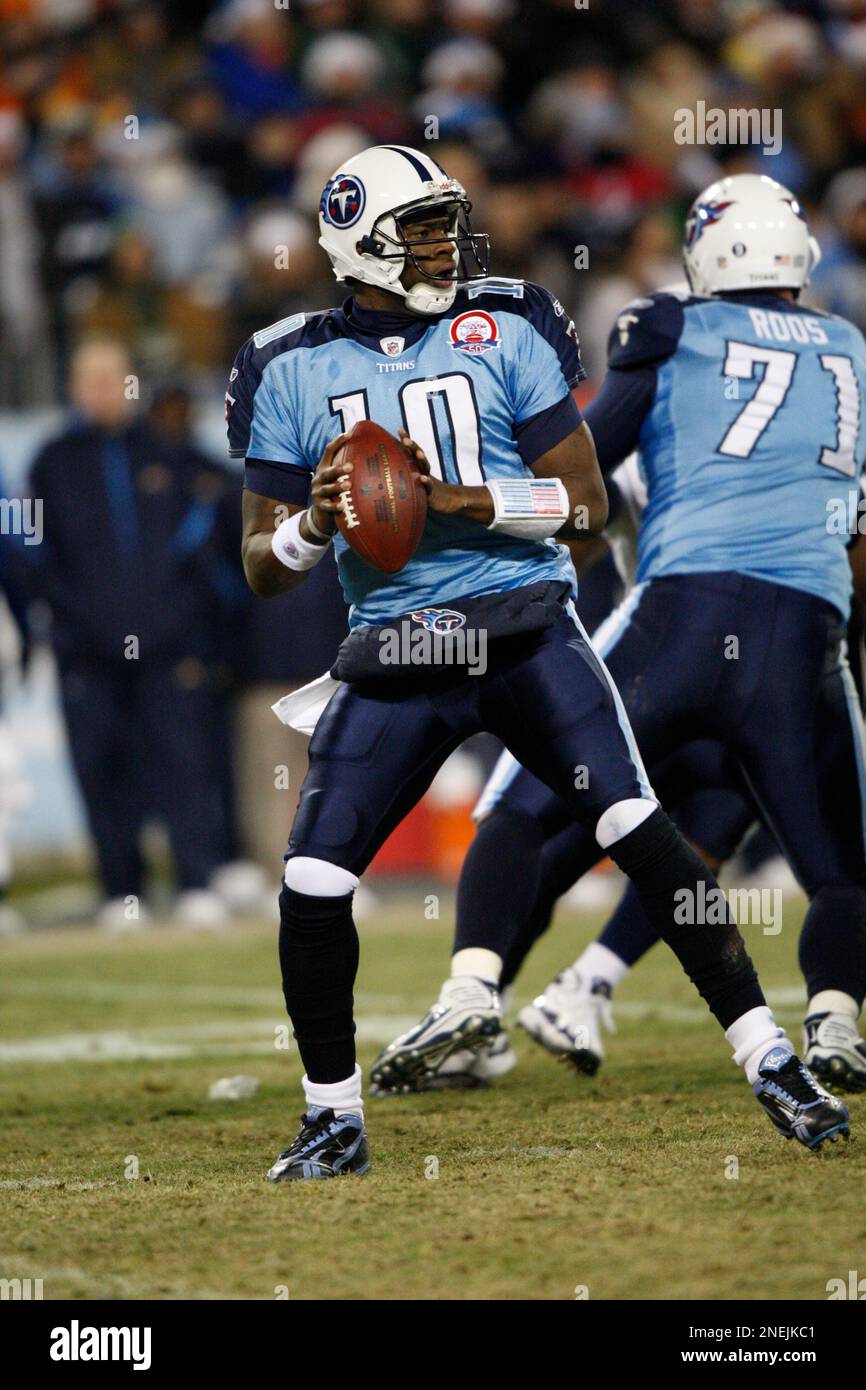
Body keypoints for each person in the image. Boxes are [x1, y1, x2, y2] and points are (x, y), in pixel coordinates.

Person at [233, 147, 846, 1181]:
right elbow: (260, 565)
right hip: (396, 644)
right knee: (309, 877)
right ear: (358, 242)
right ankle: (331, 1119)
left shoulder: (507, 318)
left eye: (444, 224)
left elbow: (584, 505)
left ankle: (771, 1058)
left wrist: (470, 501)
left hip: (521, 625)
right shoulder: (284, 361)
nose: (443, 245)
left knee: (635, 828)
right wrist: (312, 525)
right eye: (420, 228)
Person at [375, 174, 866, 1104]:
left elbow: (583, 473)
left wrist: (478, 506)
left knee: (529, 807)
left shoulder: (671, 328)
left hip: (681, 620)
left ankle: (474, 992)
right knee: (841, 869)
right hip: (809, 632)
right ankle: (835, 1019)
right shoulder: (850, 347)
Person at [27, 338, 241, 928]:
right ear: (73, 388)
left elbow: (201, 549)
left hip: (170, 651)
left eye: (111, 377)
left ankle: (197, 881)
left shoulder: (168, 456)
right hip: (86, 655)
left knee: (184, 766)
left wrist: (188, 623)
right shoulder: (53, 461)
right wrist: (70, 619)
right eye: (89, 379)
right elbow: (36, 554)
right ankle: (122, 893)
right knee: (102, 772)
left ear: (129, 383)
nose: (101, 390)